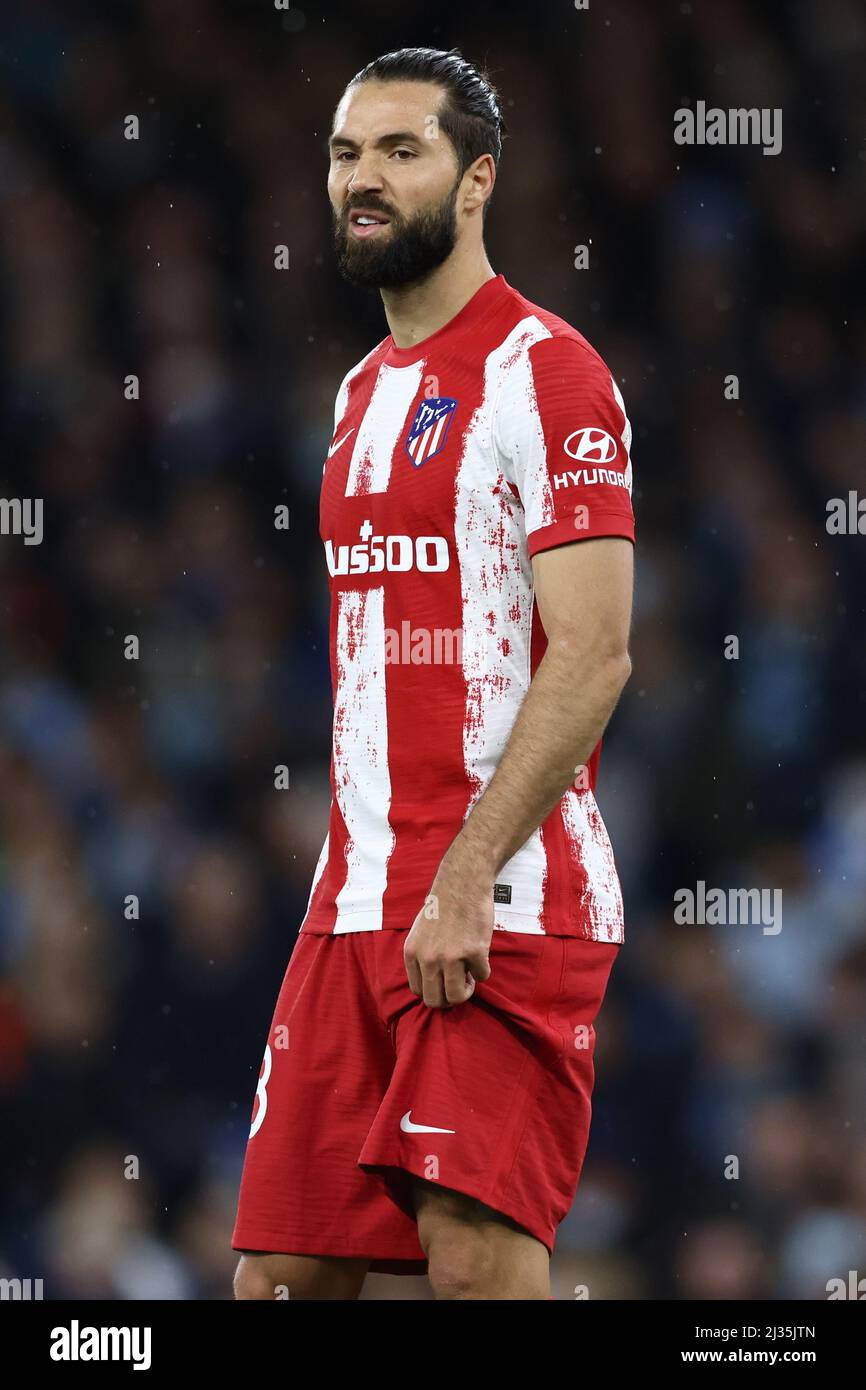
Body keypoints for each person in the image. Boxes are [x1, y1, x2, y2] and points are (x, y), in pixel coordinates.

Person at [232, 45, 635, 1301]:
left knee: (471, 1268)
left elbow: (594, 653)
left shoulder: (548, 373)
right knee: (279, 1278)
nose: (363, 177)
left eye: (400, 151)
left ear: (475, 183)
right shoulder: (357, 393)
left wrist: (463, 874)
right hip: (352, 898)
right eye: (347, 153)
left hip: (500, 892)